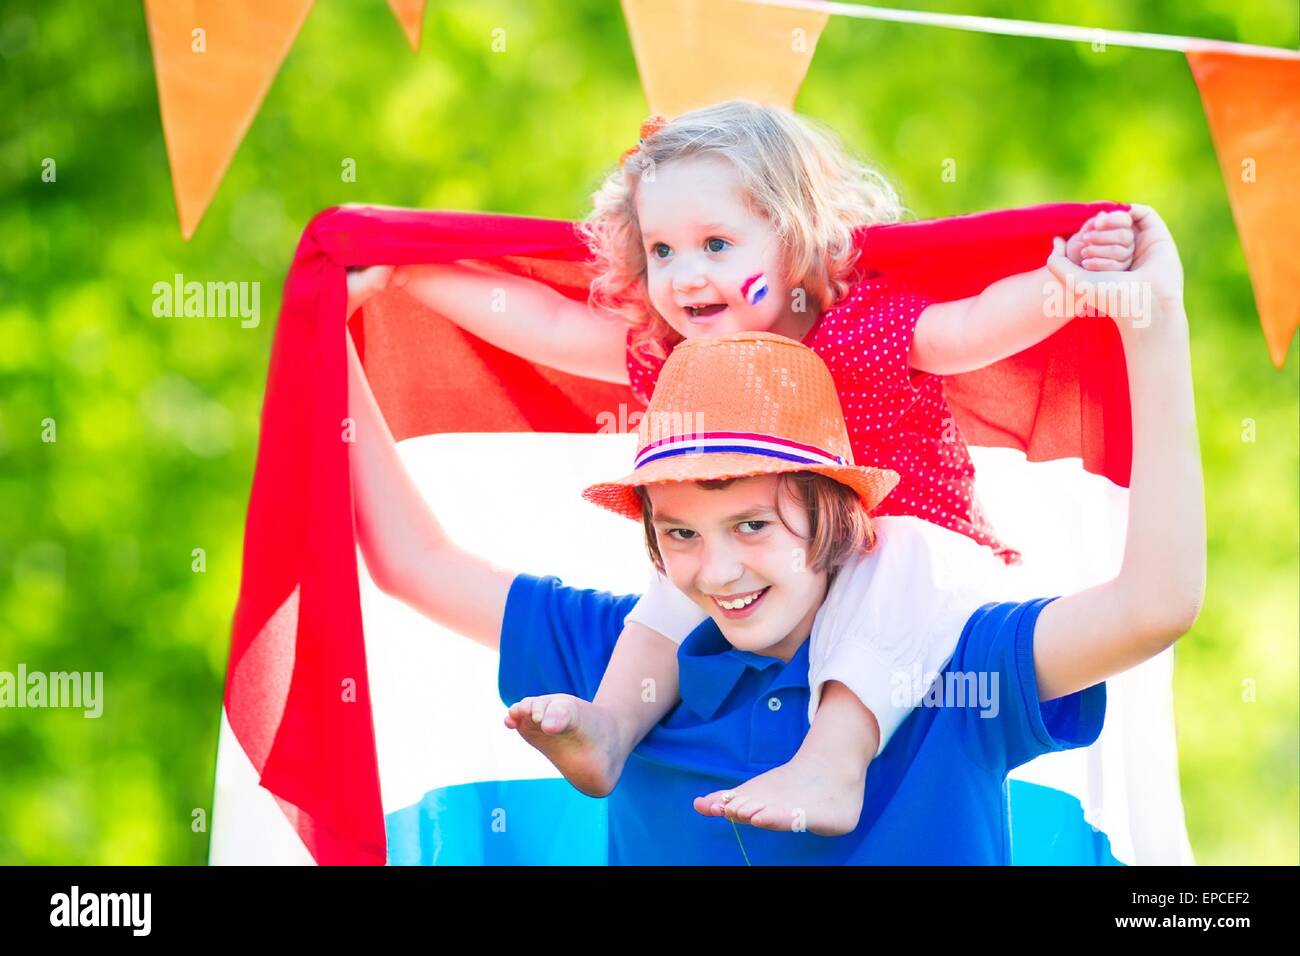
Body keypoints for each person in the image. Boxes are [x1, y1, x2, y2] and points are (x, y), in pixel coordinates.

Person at [344, 101, 1137, 832]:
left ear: (795, 241)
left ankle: (833, 760)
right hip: (766, 565)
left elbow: (969, 330)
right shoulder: (683, 360)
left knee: (895, 558)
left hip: (902, 542)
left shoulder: (857, 330)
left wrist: (1063, 285)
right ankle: (613, 725)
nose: (686, 275)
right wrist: (404, 270)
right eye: (662, 250)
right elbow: (547, 323)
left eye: (717, 245)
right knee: (678, 578)